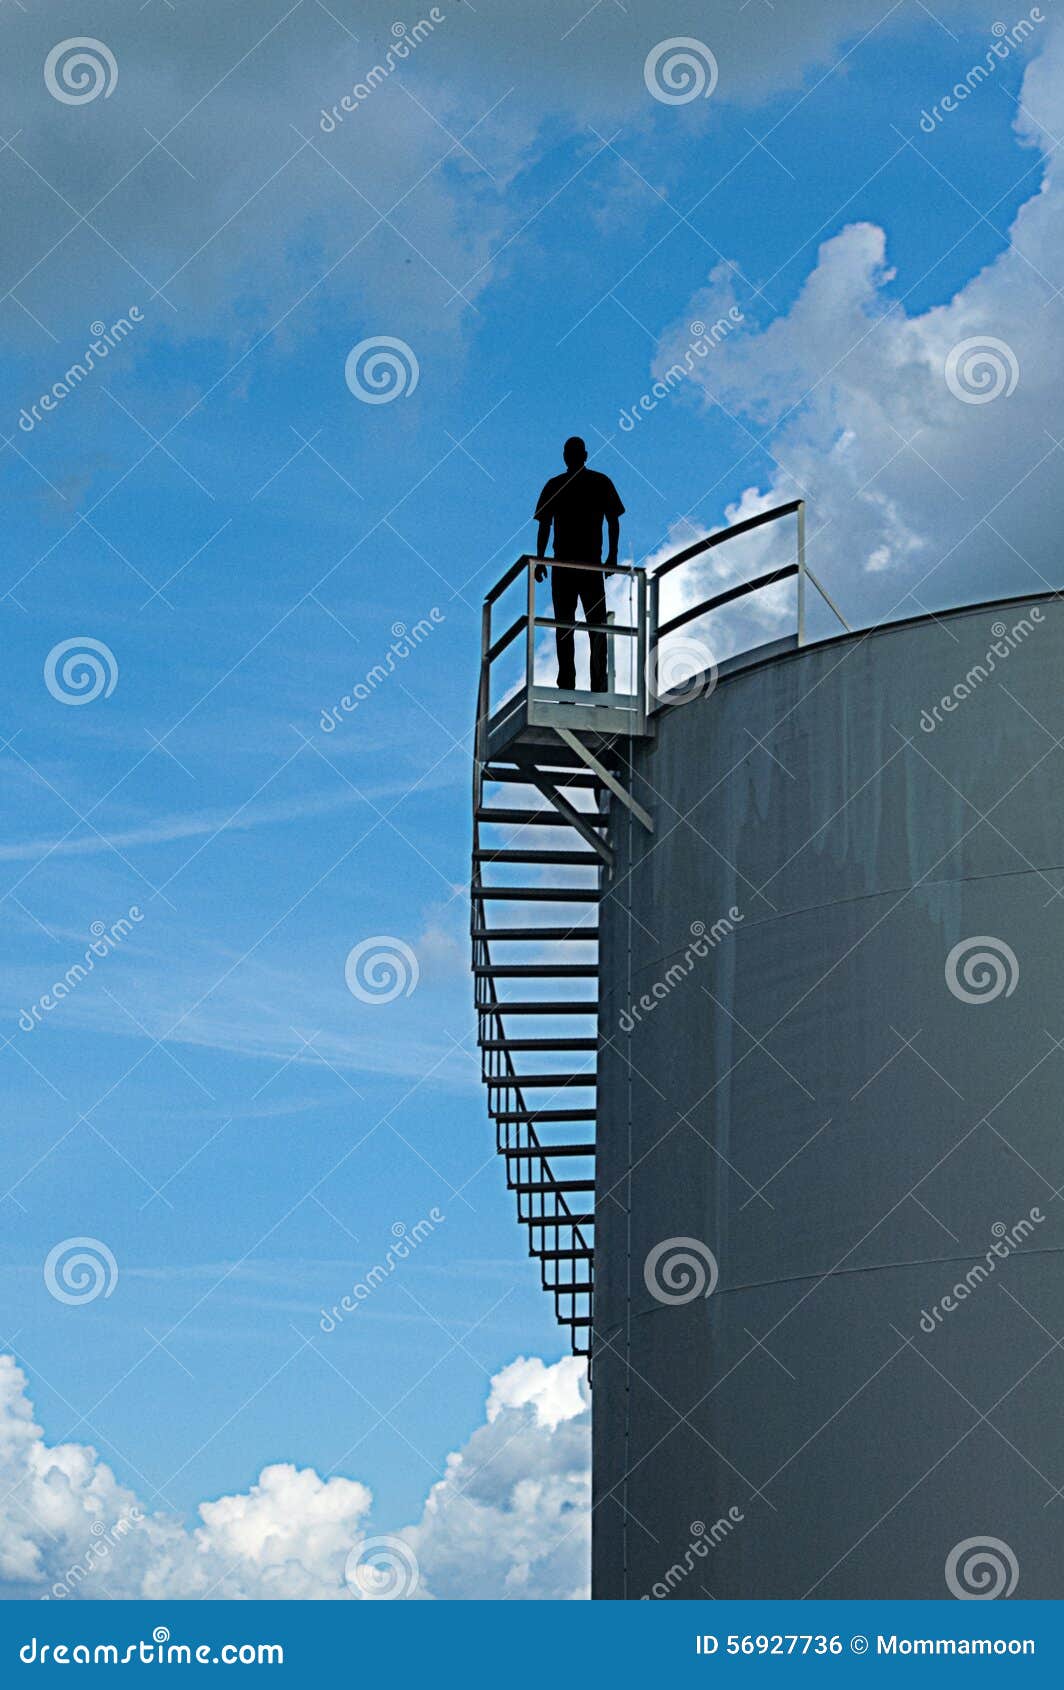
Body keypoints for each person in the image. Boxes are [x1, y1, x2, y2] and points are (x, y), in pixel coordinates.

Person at [534, 438, 625, 693]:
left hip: (584, 567)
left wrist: (612, 557)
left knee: (586, 627)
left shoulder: (594, 482)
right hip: (571, 566)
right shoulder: (577, 483)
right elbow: (545, 524)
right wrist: (541, 560)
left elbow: (612, 520)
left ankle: (586, 686)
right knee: (574, 627)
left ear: (579, 455)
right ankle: (577, 687)